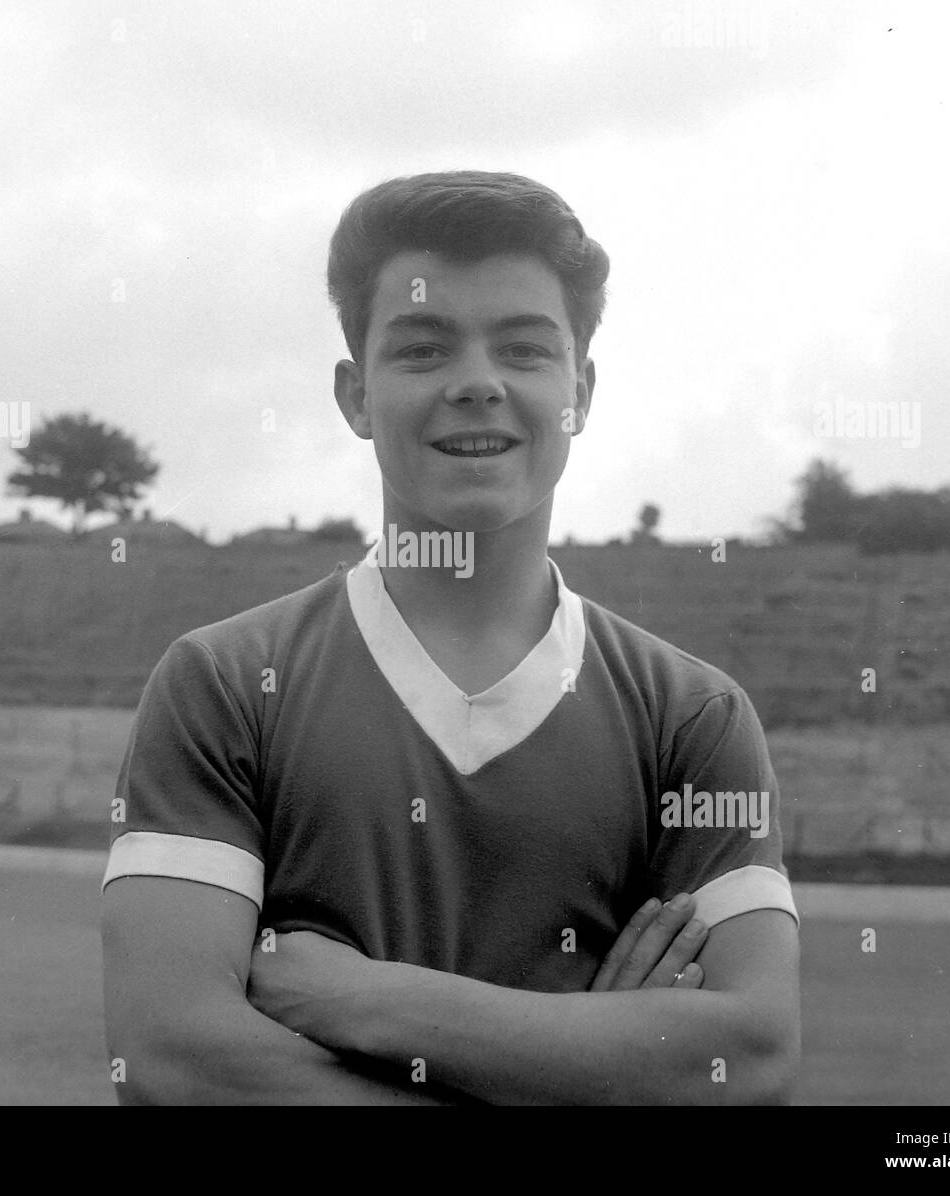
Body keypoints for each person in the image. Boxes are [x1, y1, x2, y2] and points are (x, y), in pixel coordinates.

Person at [100, 171, 800, 1105]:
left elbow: (747, 1060)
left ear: (579, 391)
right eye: (424, 350)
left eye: (523, 348)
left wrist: (357, 996)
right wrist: (592, 1065)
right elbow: (175, 1062)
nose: (478, 384)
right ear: (355, 396)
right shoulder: (225, 685)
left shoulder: (692, 717)